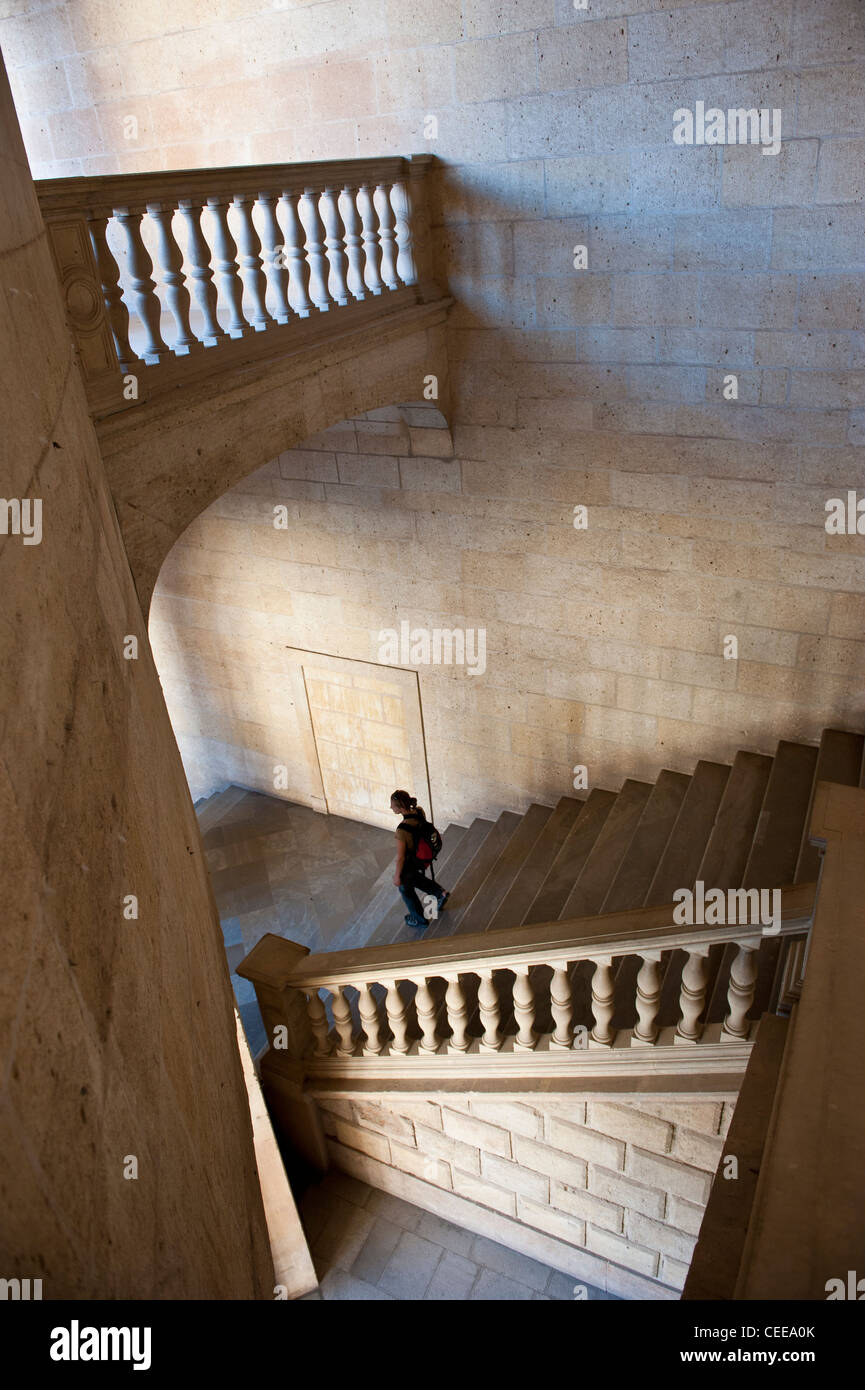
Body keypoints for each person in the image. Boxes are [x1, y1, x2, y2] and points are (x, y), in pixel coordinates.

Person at [390, 790, 449, 929]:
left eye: (392, 805)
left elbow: (401, 857)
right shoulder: (419, 811)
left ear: (399, 808)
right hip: (425, 857)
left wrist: (397, 876)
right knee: (413, 877)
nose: (391, 807)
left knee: (404, 886)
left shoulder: (402, 830)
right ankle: (440, 893)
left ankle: (419, 919)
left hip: (415, 860)